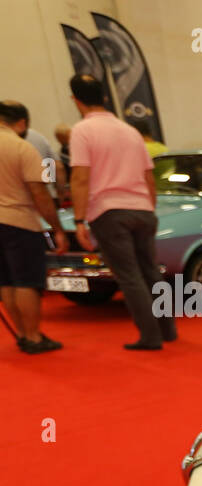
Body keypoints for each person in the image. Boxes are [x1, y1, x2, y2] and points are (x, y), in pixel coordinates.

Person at [68, 73, 170, 350]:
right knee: (150, 270)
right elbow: (148, 175)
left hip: (109, 211)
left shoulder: (82, 131)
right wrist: (150, 207)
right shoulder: (130, 131)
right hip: (142, 208)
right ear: (104, 97)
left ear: (75, 100)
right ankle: (167, 329)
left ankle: (150, 336)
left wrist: (79, 220)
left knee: (129, 275)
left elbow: (80, 177)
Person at [0, 101, 68, 354]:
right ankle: (34, 336)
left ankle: (21, 333)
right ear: (21, 123)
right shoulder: (23, 147)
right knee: (26, 282)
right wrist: (57, 228)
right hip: (19, 221)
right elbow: (41, 190)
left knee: (6, 282)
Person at [2, 103, 67, 205]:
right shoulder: (38, 136)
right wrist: (59, 189)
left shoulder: (5, 141)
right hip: (48, 195)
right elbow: (57, 166)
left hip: (18, 203)